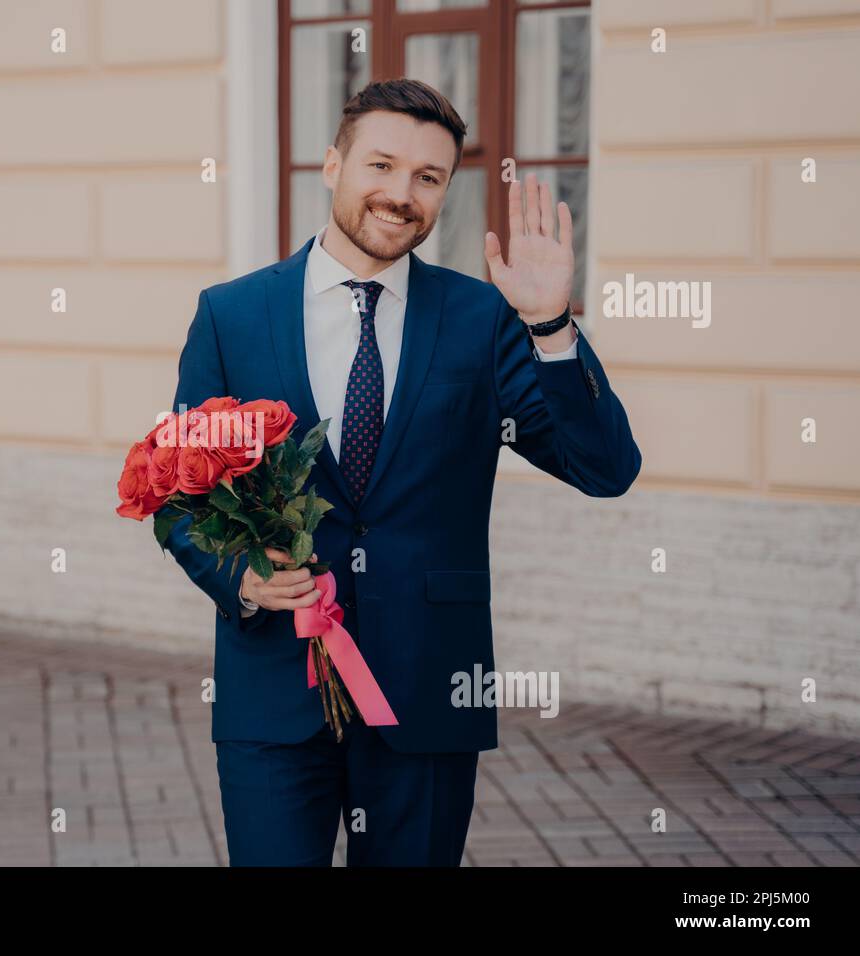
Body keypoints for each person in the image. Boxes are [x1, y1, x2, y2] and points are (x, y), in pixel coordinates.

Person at [165, 78, 641, 866]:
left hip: (428, 692)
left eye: (428, 178)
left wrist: (552, 326)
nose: (401, 194)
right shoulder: (232, 315)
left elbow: (605, 468)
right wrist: (241, 578)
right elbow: (179, 493)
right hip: (274, 693)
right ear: (332, 166)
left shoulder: (481, 318)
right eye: (381, 165)